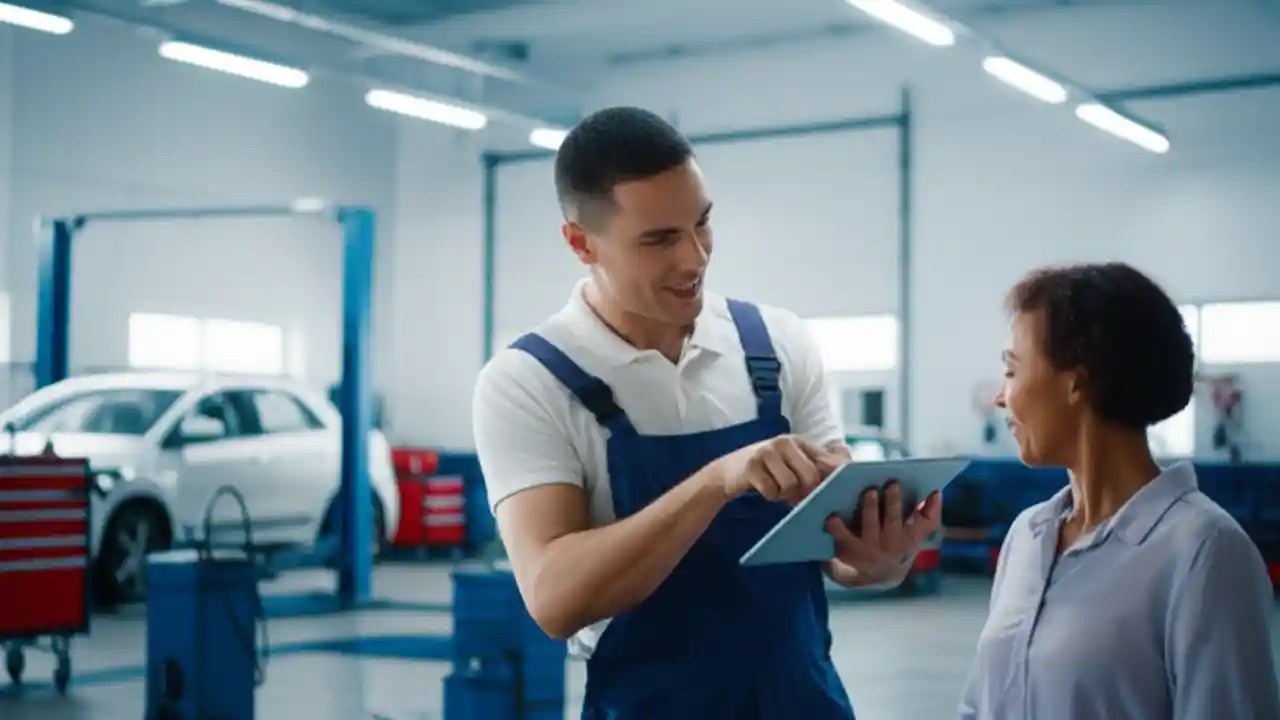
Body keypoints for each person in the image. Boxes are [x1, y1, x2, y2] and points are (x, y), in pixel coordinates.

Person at [472, 106, 942, 719]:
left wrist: (882, 558)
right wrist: (717, 482)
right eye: (659, 239)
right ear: (581, 243)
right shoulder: (528, 382)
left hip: (805, 701)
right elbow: (554, 597)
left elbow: (843, 559)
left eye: (703, 223)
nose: (694, 259)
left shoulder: (779, 344)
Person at [959, 262, 1280, 719]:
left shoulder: (1204, 552)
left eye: (1012, 371)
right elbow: (979, 706)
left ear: (1077, 380)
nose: (999, 398)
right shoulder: (1027, 536)